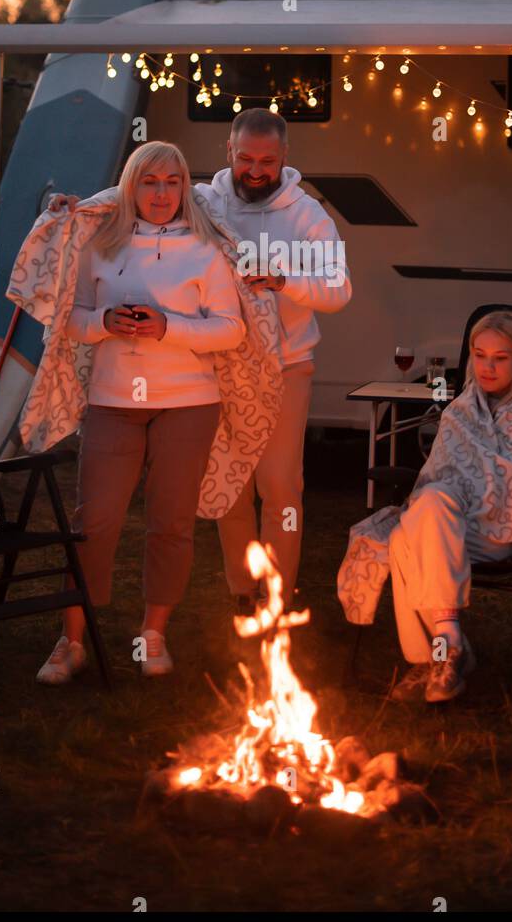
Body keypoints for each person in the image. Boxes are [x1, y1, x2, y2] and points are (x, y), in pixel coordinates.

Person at [35, 141, 245, 686]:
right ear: (131, 187)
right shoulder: (101, 243)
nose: (160, 194)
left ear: (184, 188)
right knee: (95, 521)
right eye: (149, 183)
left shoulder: (205, 249)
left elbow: (231, 327)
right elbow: (72, 320)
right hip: (112, 400)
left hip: (188, 402)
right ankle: (72, 639)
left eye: (171, 183)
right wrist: (107, 320)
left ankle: (153, 634)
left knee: (170, 522)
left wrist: (166, 326)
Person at [193, 107, 352, 614]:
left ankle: (279, 596)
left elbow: (338, 290)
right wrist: (77, 205)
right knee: (228, 479)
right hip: (219, 364)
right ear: (229, 152)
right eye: (246, 159)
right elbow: (137, 206)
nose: (256, 170)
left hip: (286, 365)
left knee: (279, 482)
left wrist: (284, 280)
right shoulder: (202, 200)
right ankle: (243, 590)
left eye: (267, 160)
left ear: (285, 157)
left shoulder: (307, 215)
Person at [387, 310, 512, 704]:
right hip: (457, 525)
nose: (487, 366)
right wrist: (451, 496)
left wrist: (478, 480)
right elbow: (436, 476)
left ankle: (435, 660)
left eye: (500, 357)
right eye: (479, 354)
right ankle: (449, 642)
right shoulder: (460, 410)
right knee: (427, 509)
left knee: (411, 535)